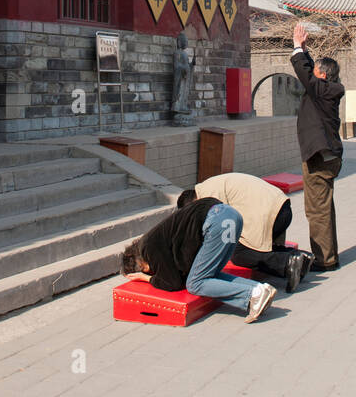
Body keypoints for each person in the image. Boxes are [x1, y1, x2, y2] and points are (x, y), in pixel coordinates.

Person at [120, 196, 277, 322]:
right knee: (209, 275)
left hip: (215, 221)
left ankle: (252, 295)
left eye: (145, 270)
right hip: (230, 215)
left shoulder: (148, 247)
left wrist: (146, 279)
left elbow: (172, 282)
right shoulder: (156, 238)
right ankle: (260, 289)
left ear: (142, 265)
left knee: (195, 284)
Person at [177, 172, 313, 291]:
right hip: (282, 209)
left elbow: (220, 233)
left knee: (239, 254)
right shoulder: (210, 186)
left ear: (192, 205)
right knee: (255, 247)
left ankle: (288, 262)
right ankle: (301, 257)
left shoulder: (207, 196)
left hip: (272, 215)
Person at [290, 22, 344, 273]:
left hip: (320, 158)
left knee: (317, 209)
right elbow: (310, 73)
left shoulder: (321, 90)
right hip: (328, 155)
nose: (314, 74)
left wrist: (297, 47)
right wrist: (307, 52)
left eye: (317, 72)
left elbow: (305, 74)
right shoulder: (326, 88)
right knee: (324, 206)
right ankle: (328, 254)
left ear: (323, 75)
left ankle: (324, 259)